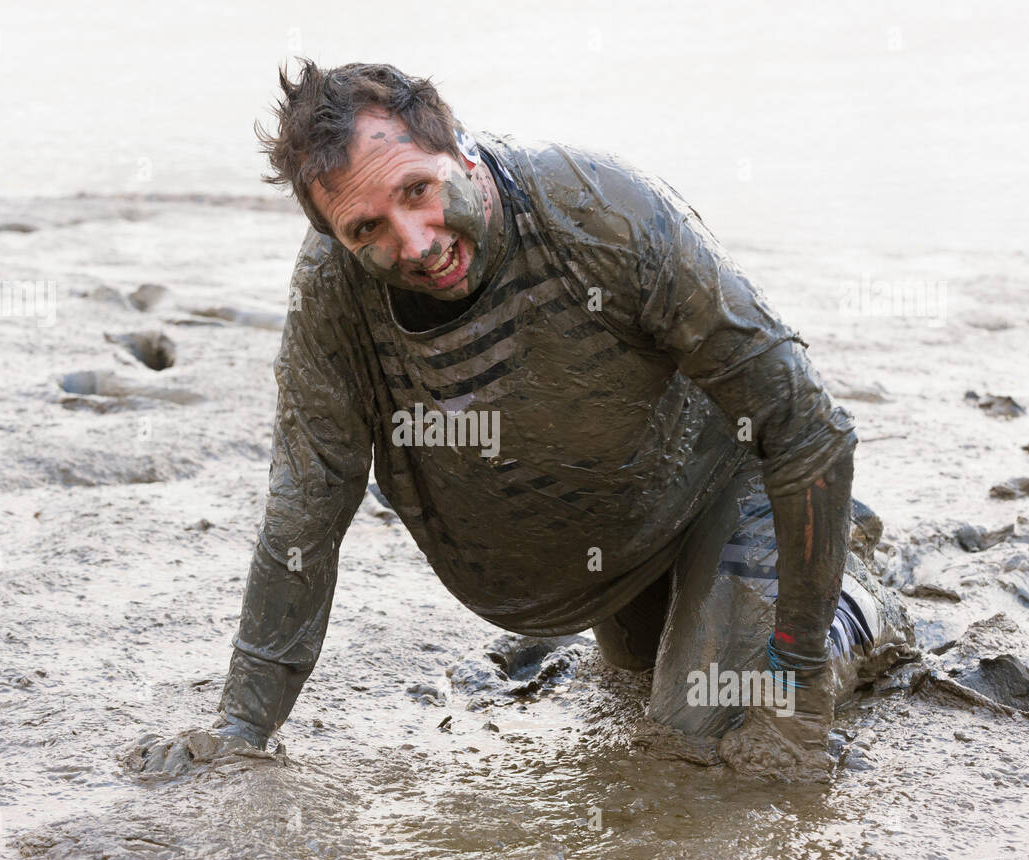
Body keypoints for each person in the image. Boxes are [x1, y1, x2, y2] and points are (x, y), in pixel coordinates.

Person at [147, 59, 915, 783]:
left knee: (701, 739)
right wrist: (243, 730)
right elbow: (304, 507)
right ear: (336, 239)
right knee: (635, 679)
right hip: (612, 554)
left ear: (463, 152)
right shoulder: (333, 294)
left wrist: (799, 669)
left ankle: (846, 600)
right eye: (367, 229)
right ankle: (741, 603)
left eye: (417, 190)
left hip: (722, 485)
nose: (413, 243)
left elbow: (808, 423)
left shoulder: (598, 209)